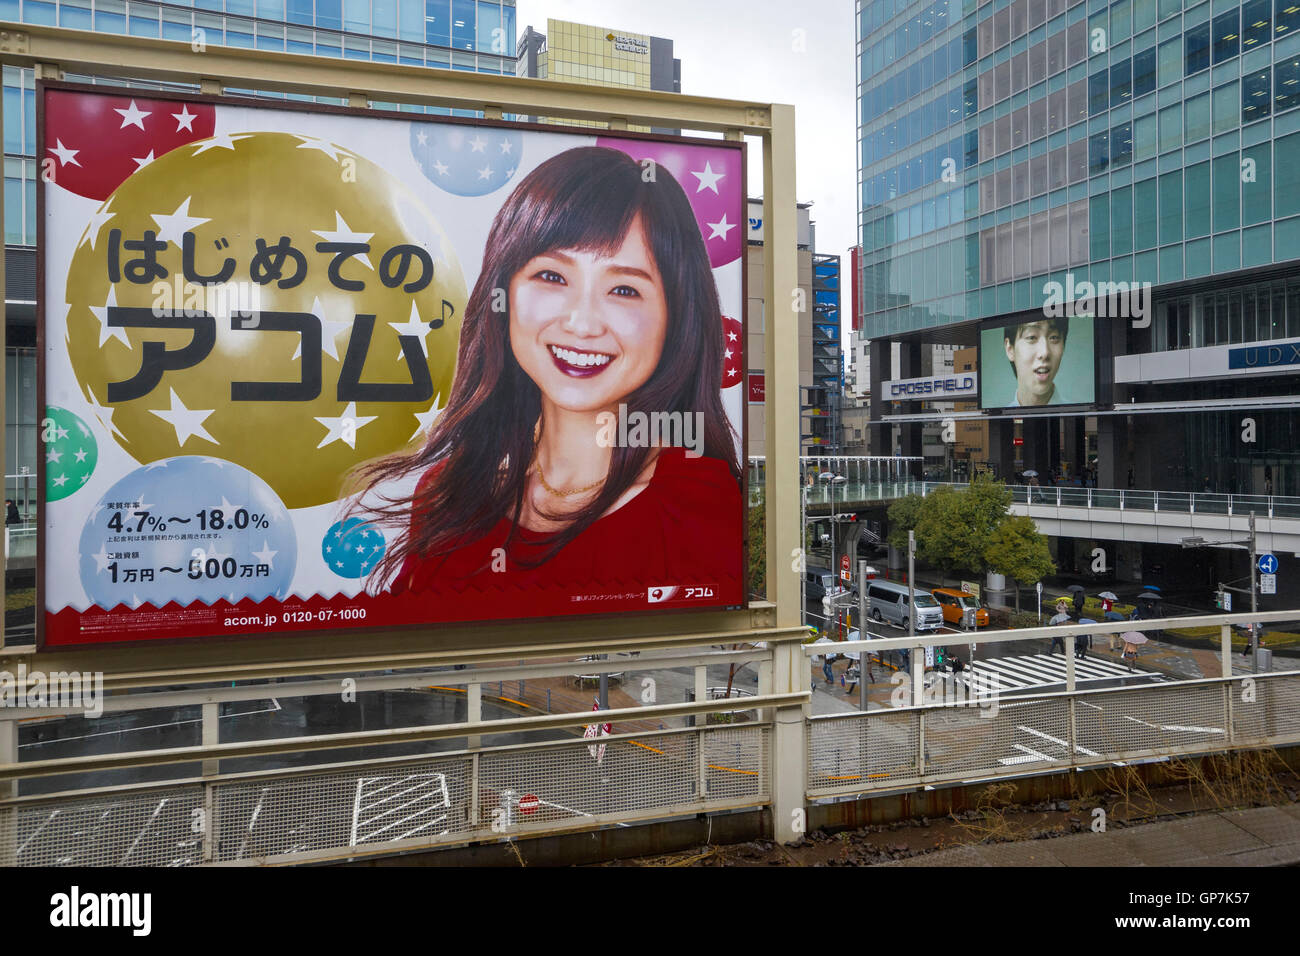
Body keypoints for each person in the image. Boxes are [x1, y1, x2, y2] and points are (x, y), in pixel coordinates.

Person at [355, 147, 743, 607]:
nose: (582, 323)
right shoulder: (449, 490)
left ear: (675, 316)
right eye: (552, 277)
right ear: (505, 293)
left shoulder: (696, 506)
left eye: (624, 289)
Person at [1002, 317, 1070, 406]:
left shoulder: (1079, 414)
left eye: (1054, 337)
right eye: (1031, 337)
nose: (1044, 352)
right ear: (1010, 349)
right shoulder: (1001, 417)